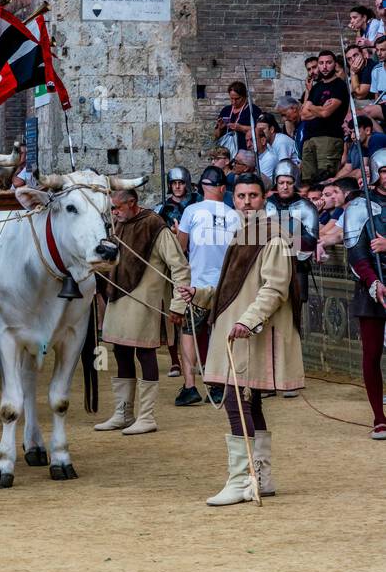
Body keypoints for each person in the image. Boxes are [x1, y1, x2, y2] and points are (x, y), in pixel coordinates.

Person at [179, 173, 304, 505]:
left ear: (265, 198)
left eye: (253, 196)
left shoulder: (274, 237)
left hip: (255, 334)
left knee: (237, 401)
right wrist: (200, 294)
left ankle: (242, 481)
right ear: (233, 199)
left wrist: (247, 321)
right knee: (251, 402)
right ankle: (261, 477)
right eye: (241, 196)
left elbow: (274, 289)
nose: (247, 202)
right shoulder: (243, 234)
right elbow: (232, 290)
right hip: (242, 331)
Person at [94, 187, 190, 436]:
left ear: (132, 203)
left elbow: (179, 267)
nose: (113, 212)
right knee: (121, 353)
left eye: (117, 207)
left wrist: (178, 305)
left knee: (145, 354)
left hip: (146, 300)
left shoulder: (154, 225)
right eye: (112, 208)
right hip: (119, 298)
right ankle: (123, 413)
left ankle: (147, 417)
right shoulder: (118, 225)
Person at [175, 168, 241, 407]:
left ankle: (190, 385)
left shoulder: (191, 211)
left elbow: (180, 247)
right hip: (225, 286)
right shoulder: (234, 215)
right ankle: (216, 386)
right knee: (219, 335)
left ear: (202, 187)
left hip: (198, 285)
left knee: (189, 333)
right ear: (223, 188)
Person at [345, 185, 386, 438]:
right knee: (371, 354)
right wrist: (373, 281)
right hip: (372, 288)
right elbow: (357, 254)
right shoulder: (361, 206)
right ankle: (379, 418)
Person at [300, 50, 350, 180]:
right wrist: (319, 109)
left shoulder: (340, 85)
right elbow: (304, 115)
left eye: (328, 62)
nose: (325, 66)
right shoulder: (317, 87)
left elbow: (326, 113)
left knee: (325, 180)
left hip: (329, 139)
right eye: (321, 63)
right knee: (307, 180)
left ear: (334, 64)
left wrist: (313, 108)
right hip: (309, 138)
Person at [214, 80, 262, 156]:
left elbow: (260, 130)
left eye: (237, 99)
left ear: (244, 97)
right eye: (231, 98)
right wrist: (220, 128)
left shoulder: (253, 110)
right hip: (225, 152)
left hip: (244, 151)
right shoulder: (226, 110)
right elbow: (216, 136)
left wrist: (241, 128)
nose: (233, 102)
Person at [157, 165, 198, 230]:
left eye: (181, 183)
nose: (177, 186)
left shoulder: (196, 201)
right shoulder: (163, 208)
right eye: (174, 183)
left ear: (187, 184)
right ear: (170, 185)